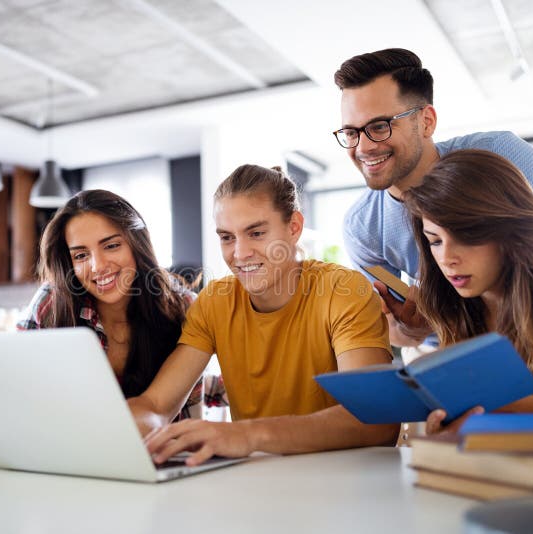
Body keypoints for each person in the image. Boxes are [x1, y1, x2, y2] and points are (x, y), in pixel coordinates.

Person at [128, 164, 399, 467]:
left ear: (294, 227)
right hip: (258, 479)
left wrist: (247, 434)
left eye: (256, 233)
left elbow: (377, 420)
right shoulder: (215, 302)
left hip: (344, 478)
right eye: (227, 237)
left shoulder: (343, 291)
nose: (240, 253)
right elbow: (156, 405)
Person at [332, 48, 533, 347]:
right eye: (351, 132)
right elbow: (391, 328)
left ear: (426, 121)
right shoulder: (362, 227)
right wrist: (413, 329)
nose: (363, 147)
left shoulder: (501, 155)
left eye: (379, 127)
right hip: (451, 345)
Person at [402, 149, 533, 433]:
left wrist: (525, 411)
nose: (447, 258)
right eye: (435, 241)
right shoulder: (457, 316)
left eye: (465, 236)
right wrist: (451, 431)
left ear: (510, 228)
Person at [17, 189, 202, 418]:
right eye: (81, 255)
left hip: (163, 441)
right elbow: (17, 385)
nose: (98, 266)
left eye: (111, 245)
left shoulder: (183, 307)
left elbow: (191, 401)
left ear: (137, 244)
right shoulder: (51, 303)